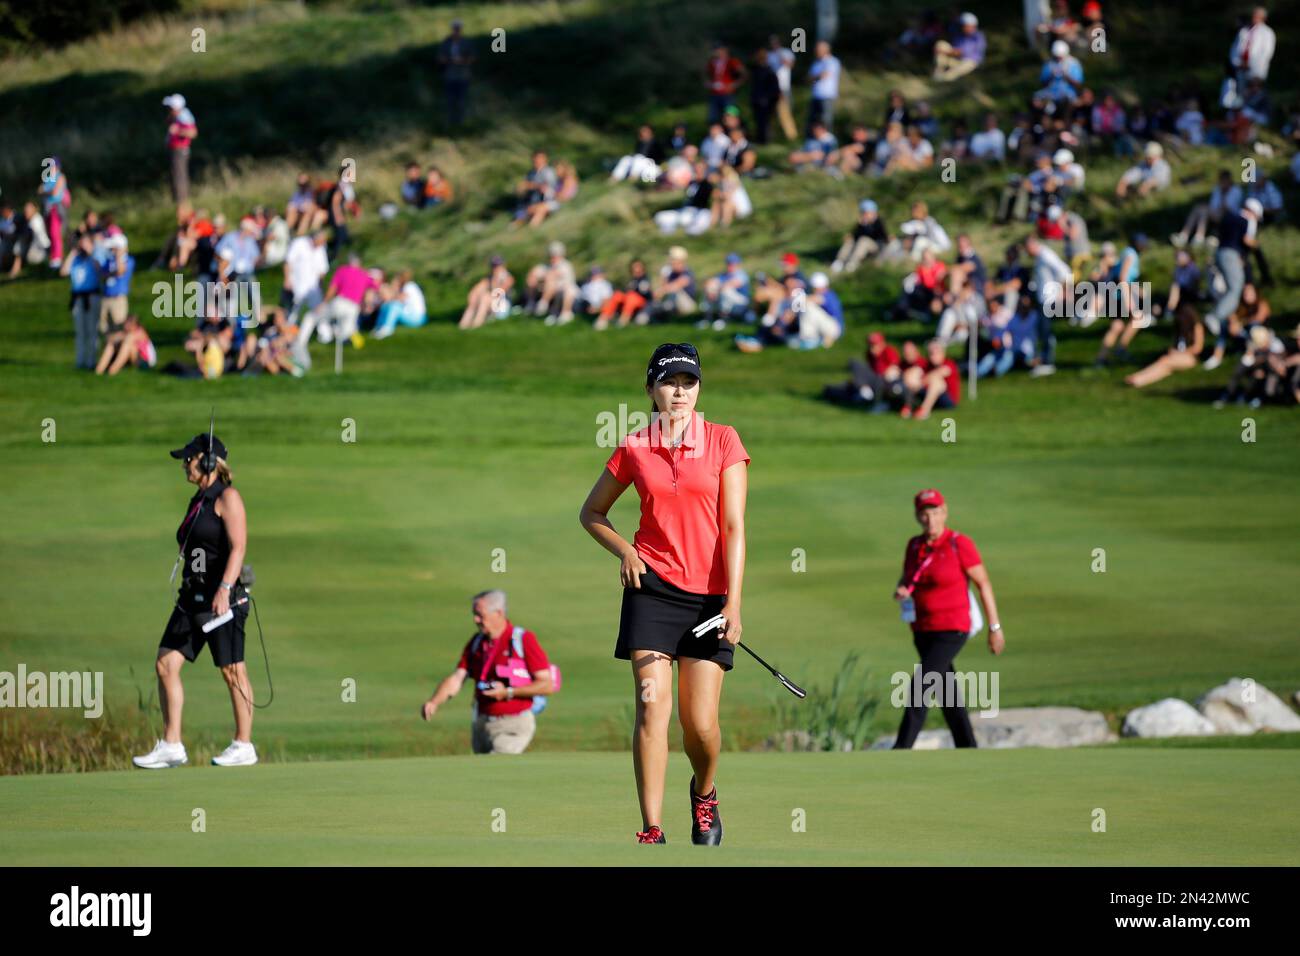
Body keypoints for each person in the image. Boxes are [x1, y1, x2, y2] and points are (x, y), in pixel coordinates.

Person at [579, 343, 750, 845]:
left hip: (709, 599)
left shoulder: (723, 440)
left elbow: (735, 527)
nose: (680, 391)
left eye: (689, 382)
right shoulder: (634, 445)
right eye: (670, 382)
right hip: (651, 590)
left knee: (700, 725)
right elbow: (592, 513)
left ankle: (704, 792)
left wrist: (734, 604)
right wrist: (626, 553)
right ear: (651, 389)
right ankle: (652, 827)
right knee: (653, 707)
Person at [134, 433, 256, 769]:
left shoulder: (227, 497)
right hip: (194, 597)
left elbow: (239, 546)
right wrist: (194, 575)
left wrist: (224, 588)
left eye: (189, 459)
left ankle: (243, 744)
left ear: (208, 462)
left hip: (223, 599)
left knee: (232, 670)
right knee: (165, 663)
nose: (184, 465)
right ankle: (172, 744)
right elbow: (198, 548)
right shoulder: (198, 500)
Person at [891, 489, 1004, 750]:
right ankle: (968, 748)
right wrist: (902, 589)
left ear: (944, 513)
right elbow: (908, 578)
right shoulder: (915, 546)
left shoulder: (959, 543)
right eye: (924, 514)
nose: (930, 519)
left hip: (952, 628)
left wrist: (995, 627)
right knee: (947, 693)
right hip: (922, 629)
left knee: (921, 685)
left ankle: (900, 750)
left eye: (935, 512)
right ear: (918, 516)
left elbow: (982, 584)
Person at [421, 590, 555, 754]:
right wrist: (434, 702)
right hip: (481, 723)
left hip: (514, 723)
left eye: (480, 615)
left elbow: (547, 685)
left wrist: (508, 692)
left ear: (498, 613)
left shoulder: (523, 639)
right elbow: (457, 678)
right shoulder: (476, 643)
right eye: (474, 614)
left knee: (498, 764)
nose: (475, 620)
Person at [1203, 198, 1263, 370]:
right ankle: (1215, 316)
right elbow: (1247, 240)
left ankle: (1218, 316)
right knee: (1235, 289)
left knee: (1228, 290)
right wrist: (1256, 249)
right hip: (1231, 255)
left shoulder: (1229, 216)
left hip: (1220, 253)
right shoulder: (1248, 220)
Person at [293, 254, 377, 368]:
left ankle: (300, 344)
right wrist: (368, 304)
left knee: (310, 317)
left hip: (340, 303)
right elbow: (373, 289)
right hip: (354, 308)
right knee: (346, 332)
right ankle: (335, 332)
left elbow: (333, 288)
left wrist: (323, 303)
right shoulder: (365, 274)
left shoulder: (342, 270)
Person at [1024, 233, 1071, 376]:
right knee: (1043, 332)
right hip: (1042, 300)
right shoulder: (1039, 257)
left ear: (1033, 245)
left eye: (1027, 248)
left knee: (1045, 332)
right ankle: (1044, 359)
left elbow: (1064, 271)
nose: (1027, 252)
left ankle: (1048, 362)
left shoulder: (1046, 255)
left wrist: (1063, 291)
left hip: (1049, 300)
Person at [1125, 304, 1205, 388]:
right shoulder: (1180, 328)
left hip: (1191, 357)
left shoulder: (1197, 326)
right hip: (1179, 355)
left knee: (1164, 361)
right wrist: (1173, 350)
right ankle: (1140, 380)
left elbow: (1198, 348)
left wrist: (1180, 352)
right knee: (1165, 368)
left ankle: (1139, 378)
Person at [60, 231, 102, 370]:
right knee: (80, 332)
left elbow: (100, 270)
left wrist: (91, 251)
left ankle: (91, 361)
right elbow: (63, 271)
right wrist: (73, 252)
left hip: (92, 297)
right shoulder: (75, 260)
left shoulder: (95, 258)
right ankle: (80, 361)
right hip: (78, 298)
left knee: (92, 331)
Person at [832, 200, 891, 274]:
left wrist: (868, 225)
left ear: (872, 212)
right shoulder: (862, 223)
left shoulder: (878, 222)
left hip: (876, 247)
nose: (864, 215)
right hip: (862, 246)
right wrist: (861, 226)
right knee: (850, 241)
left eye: (866, 213)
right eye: (863, 213)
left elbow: (883, 237)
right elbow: (855, 236)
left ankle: (852, 263)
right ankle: (840, 261)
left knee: (864, 241)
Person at [460, 254, 515, 329]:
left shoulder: (508, 278)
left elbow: (498, 293)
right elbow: (477, 289)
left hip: (501, 308)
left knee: (485, 298)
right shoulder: (488, 278)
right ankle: (463, 326)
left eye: (498, 265)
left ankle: (476, 325)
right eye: (494, 266)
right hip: (492, 304)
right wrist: (474, 296)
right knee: (477, 297)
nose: (495, 268)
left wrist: (497, 278)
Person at [595, 259, 653, 330]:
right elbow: (626, 290)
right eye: (634, 267)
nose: (636, 269)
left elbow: (647, 294)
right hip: (629, 299)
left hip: (642, 302)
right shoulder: (632, 280)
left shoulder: (645, 279)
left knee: (632, 296)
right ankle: (603, 318)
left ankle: (623, 321)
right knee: (617, 295)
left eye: (638, 267)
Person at [437, 19, 475, 126]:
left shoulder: (466, 42)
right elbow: (440, 58)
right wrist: (449, 60)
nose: (456, 31)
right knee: (450, 100)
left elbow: (472, 57)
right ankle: (450, 121)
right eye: (455, 29)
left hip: (463, 75)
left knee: (462, 99)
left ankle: (461, 121)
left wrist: (462, 60)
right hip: (450, 75)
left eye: (458, 29)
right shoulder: (447, 42)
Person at [162, 94, 197, 208]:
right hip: (175, 150)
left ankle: (182, 203)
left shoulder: (184, 117)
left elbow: (193, 133)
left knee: (179, 178)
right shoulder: (177, 117)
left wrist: (178, 131)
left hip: (180, 151)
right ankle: (177, 202)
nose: (169, 110)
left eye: (170, 108)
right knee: (175, 177)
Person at [699, 253, 750, 330]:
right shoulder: (723, 275)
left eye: (733, 264)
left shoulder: (741, 275)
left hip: (740, 305)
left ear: (738, 265)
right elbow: (709, 283)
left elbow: (731, 284)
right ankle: (707, 319)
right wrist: (710, 290)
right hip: (726, 301)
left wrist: (715, 291)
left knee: (725, 291)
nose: (730, 266)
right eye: (729, 263)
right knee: (709, 288)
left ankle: (723, 319)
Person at [372, 270, 427, 339]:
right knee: (386, 306)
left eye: (396, 279)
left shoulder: (409, 286)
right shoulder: (406, 287)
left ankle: (387, 329)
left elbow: (398, 299)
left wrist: (393, 289)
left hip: (418, 318)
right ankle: (379, 327)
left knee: (394, 306)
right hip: (411, 315)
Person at [1230, 6, 1275, 88]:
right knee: (1241, 94)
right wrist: (1237, 63)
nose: (1254, 17)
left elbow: (1266, 53)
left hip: (1256, 70)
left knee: (1253, 93)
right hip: (1240, 68)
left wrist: (1251, 64)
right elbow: (1235, 49)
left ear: (1263, 18)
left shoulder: (1267, 33)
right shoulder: (1244, 31)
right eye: (1253, 15)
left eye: (1256, 16)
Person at [933, 12, 986, 81]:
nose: (963, 27)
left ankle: (944, 79)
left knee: (959, 69)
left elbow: (961, 52)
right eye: (962, 25)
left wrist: (945, 52)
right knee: (941, 44)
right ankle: (938, 73)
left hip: (971, 62)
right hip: (956, 60)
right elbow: (955, 50)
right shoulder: (959, 34)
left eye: (966, 25)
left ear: (973, 26)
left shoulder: (977, 37)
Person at [39, 157, 71, 269]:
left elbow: (54, 192)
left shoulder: (60, 177)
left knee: (55, 233)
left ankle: (57, 257)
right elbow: (39, 191)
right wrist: (47, 191)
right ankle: (53, 256)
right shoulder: (48, 178)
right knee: (49, 233)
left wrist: (45, 191)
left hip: (56, 208)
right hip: (47, 209)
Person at [704, 43, 746, 124]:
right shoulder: (712, 62)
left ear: (724, 50)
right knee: (713, 118)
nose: (716, 52)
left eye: (718, 50)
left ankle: (735, 134)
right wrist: (708, 83)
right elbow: (704, 73)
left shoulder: (732, 61)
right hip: (715, 94)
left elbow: (744, 74)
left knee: (731, 116)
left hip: (728, 94)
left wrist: (735, 84)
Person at [806, 41, 842, 133]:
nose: (816, 51)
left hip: (827, 95)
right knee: (812, 121)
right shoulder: (816, 63)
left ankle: (827, 142)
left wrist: (815, 77)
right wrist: (816, 77)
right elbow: (809, 78)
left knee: (826, 120)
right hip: (815, 95)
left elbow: (824, 75)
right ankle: (811, 142)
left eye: (819, 49)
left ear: (825, 50)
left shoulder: (832, 61)